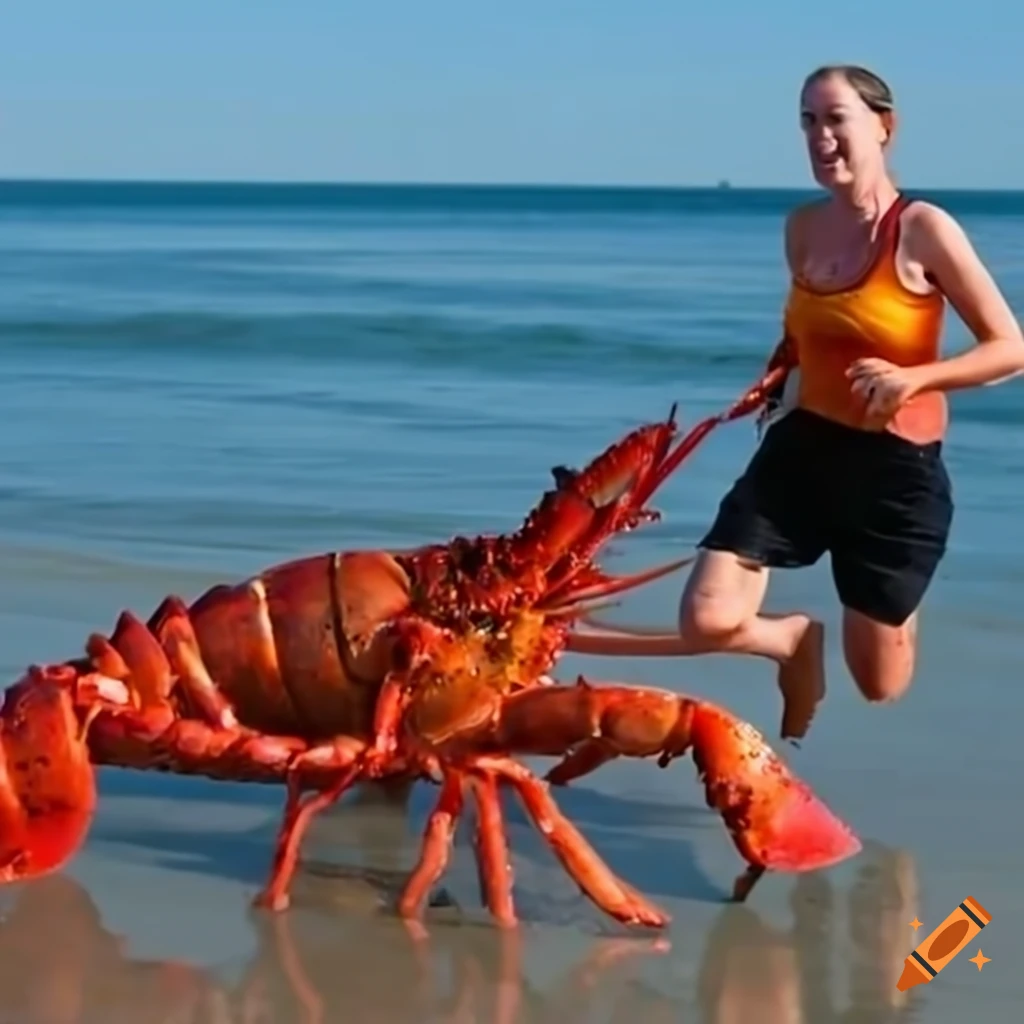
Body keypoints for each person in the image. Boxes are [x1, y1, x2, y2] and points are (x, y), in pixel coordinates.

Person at [570, 64, 1024, 741]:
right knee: (707, 618)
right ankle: (788, 640)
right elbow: (806, 331)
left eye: (836, 118)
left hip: (896, 471)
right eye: (808, 121)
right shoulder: (802, 228)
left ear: (883, 126)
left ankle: (891, 599)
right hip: (802, 449)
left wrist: (913, 381)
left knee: (880, 685)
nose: (821, 137)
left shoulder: (922, 228)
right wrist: (777, 378)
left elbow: (1009, 349)